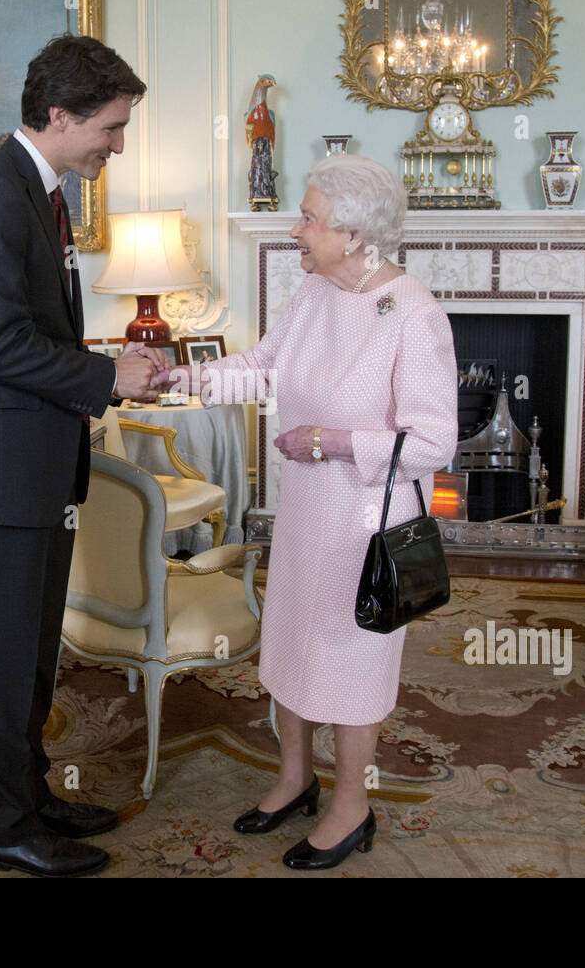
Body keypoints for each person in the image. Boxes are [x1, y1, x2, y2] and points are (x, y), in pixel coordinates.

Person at [153, 154, 458, 870]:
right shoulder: (316, 292)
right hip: (305, 512)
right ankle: (294, 777)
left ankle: (353, 805)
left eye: (310, 218)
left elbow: (434, 440)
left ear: (352, 233)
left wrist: (329, 441)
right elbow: (265, 368)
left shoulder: (412, 313)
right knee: (291, 644)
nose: (298, 229)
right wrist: (183, 376)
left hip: (366, 523)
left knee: (352, 659)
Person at [0, 34, 165, 877]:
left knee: (30, 649)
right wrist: (109, 374)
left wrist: (103, 366)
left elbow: (33, 330)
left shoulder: (38, 190)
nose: (117, 144)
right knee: (4, 658)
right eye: (111, 126)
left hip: (31, 465)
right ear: (59, 116)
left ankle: (30, 796)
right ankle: (5, 830)